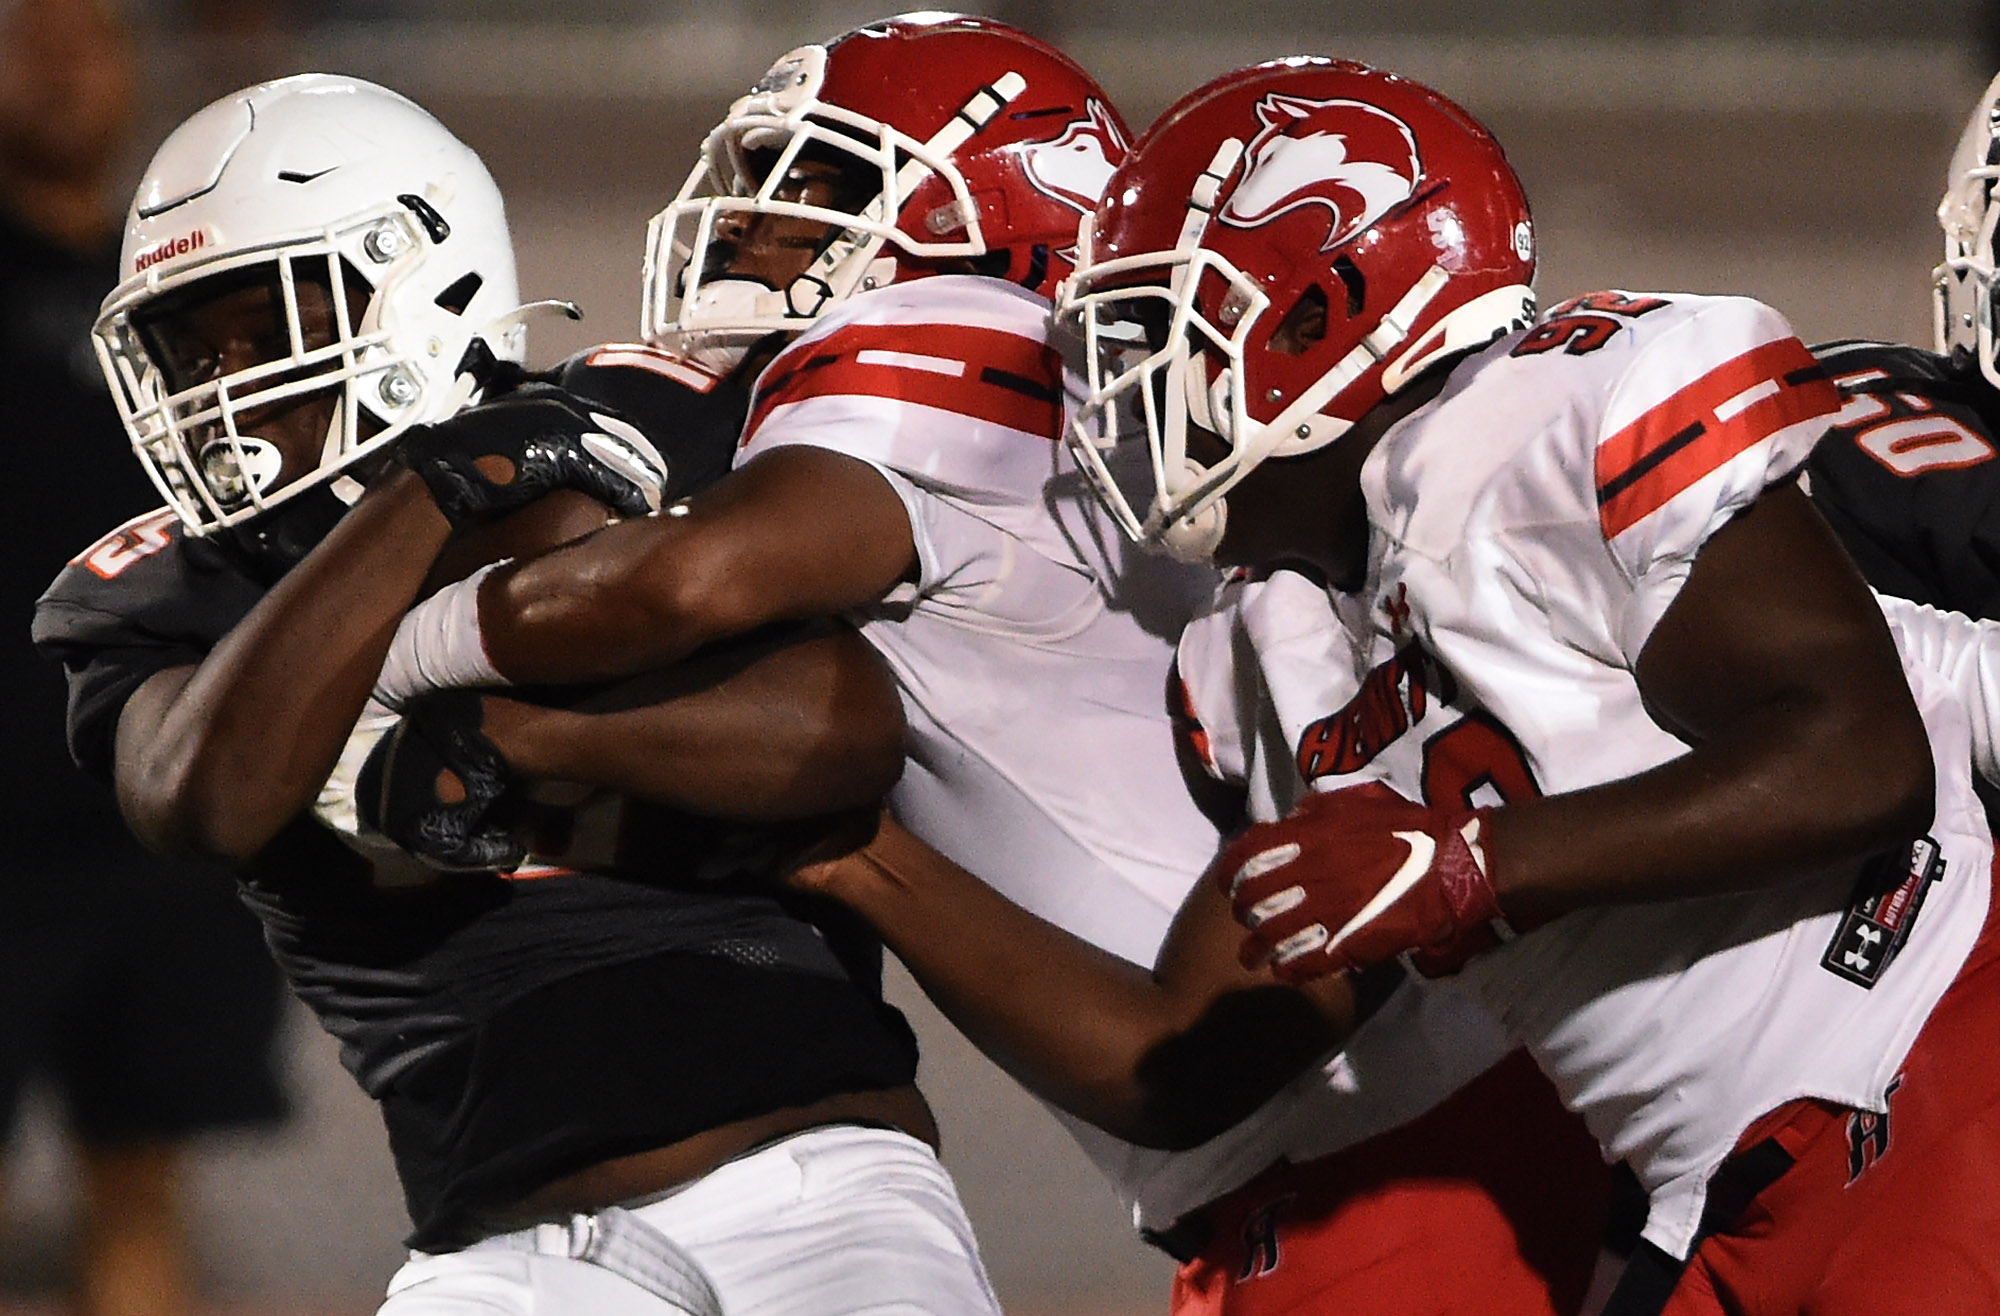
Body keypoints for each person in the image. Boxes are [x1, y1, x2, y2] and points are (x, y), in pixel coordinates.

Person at [377, 17, 1612, 1315]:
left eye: (819, 182)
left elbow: (691, 581)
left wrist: (394, 665)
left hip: (1367, 1139)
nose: (748, 221)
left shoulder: (952, 324)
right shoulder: (1127, 411)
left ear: (996, 211)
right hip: (1363, 1113)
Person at [776, 57, 2000, 1316]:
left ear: (1324, 313)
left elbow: (1856, 756)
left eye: (1169, 331)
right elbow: (1190, 1047)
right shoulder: (1262, 640)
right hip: (1719, 1190)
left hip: (1925, 1059)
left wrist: (1474, 865)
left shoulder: (1542, 418)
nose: (1126, 397)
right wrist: (842, 847)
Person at [33, 72, 1006, 1316]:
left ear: (414, 279)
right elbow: (200, 795)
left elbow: (842, 728)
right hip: (491, 1249)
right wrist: (425, 491)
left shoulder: (653, 422)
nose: (220, 380)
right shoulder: (160, 581)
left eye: (257, 321)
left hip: (811, 1180)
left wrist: (501, 733)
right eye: (190, 342)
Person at [0, 5, 287, 1315]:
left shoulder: (186, 294)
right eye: (28, 39)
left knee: (144, 1188)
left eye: (90, 38)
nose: (64, 66)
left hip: (158, 823)